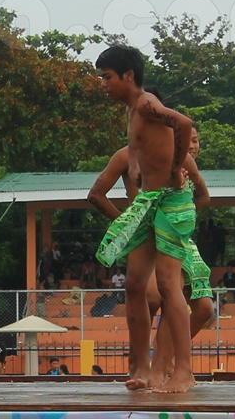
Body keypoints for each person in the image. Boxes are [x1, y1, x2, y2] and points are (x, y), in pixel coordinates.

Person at [93, 45, 197, 393]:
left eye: (107, 77)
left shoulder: (145, 103)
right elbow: (138, 146)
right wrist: (136, 165)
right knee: (135, 284)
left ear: (128, 76)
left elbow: (183, 123)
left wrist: (175, 166)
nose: (103, 84)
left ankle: (183, 371)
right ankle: (141, 365)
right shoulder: (130, 113)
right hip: (149, 202)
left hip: (171, 201)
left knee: (168, 283)